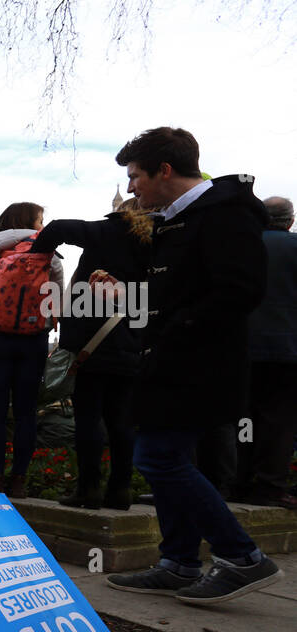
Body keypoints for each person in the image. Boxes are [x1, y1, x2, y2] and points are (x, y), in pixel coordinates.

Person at [104, 127, 281, 604]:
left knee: (157, 458)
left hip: (198, 363)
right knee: (170, 458)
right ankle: (179, 562)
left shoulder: (224, 213)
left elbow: (240, 289)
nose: (132, 187)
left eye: (135, 176)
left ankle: (242, 557)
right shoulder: (178, 219)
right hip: (171, 359)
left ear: (164, 170)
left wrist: (178, 329)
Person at [31, 198, 154, 510]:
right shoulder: (158, 241)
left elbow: (56, 228)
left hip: (92, 344)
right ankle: (121, 490)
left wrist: (36, 259)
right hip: (131, 340)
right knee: (122, 422)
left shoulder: (106, 231)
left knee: (88, 418)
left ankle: (88, 489)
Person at [0, 202, 64, 496]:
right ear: (31, 222)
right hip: (33, 338)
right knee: (26, 412)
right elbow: (56, 300)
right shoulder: (49, 254)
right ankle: (19, 480)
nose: (43, 226)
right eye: (40, 220)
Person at [235, 196, 297, 508]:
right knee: (279, 419)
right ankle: (270, 485)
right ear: (290, 220)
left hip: (241, 346)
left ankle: (239, 480)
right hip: (287, 349)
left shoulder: (242, 246)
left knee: (244, 416)